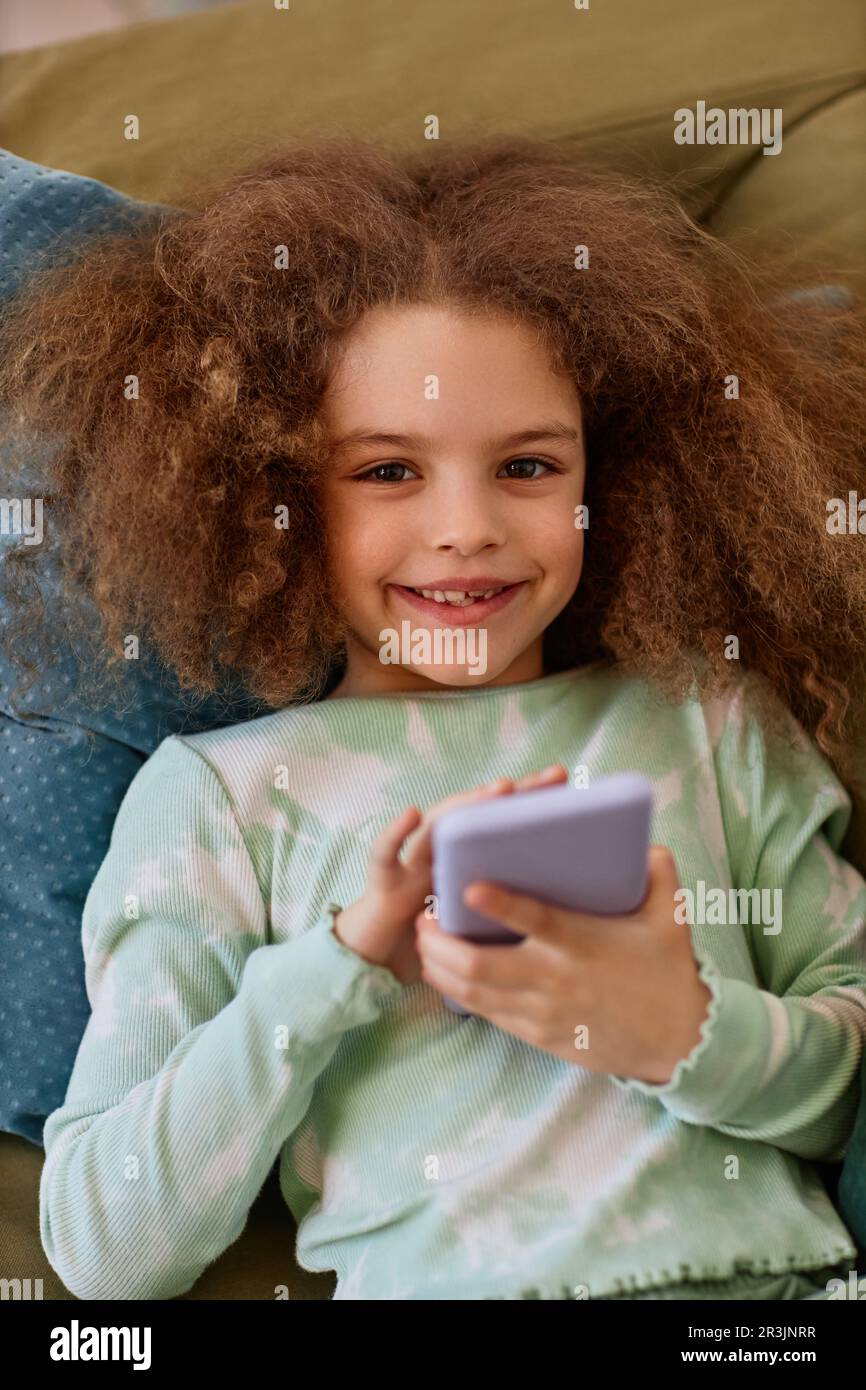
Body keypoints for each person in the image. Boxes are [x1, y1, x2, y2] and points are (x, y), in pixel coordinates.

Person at [2, 133, 866, 1300]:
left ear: (604, 482)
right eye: (387, 472)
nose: (465, 528)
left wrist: (679, 1030)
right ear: (274, 499)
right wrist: (341, 962)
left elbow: (847, 1083)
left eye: (525, 468)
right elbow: (109, 1250)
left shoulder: (709, 720)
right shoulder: (217, 797)